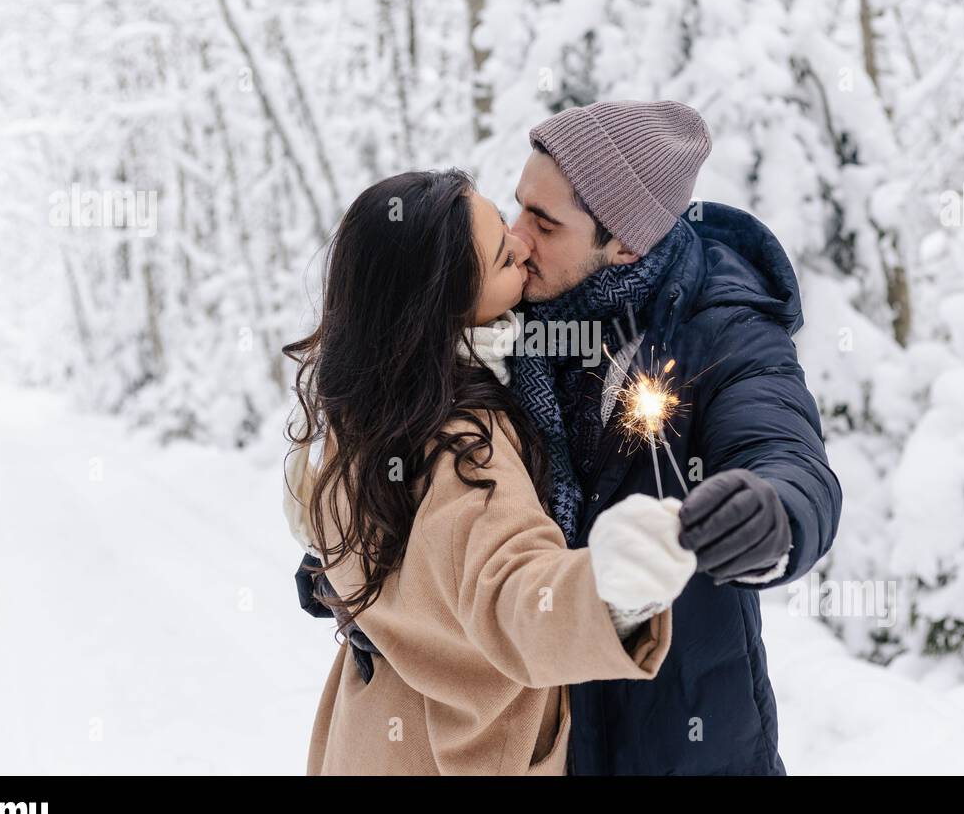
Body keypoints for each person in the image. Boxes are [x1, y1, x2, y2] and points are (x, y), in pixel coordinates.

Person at [282, 168, 696, 775]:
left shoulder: (369, 400)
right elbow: (514, 594)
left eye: (506, 221)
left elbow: (416, 560)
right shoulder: (465, 444)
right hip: (447, 754)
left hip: (369, 741)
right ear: (443, 305)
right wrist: (614, 586)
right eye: (505, 255)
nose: (524, 245)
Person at [506, 99, 843, 775]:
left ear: (627, 243)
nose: (516, 237)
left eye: (545, 222)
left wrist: (771, 512)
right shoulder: (500, 314)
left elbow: (785, 451)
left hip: (683, 738)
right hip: (534, 737)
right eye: (517, 207)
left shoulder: (723, 328)